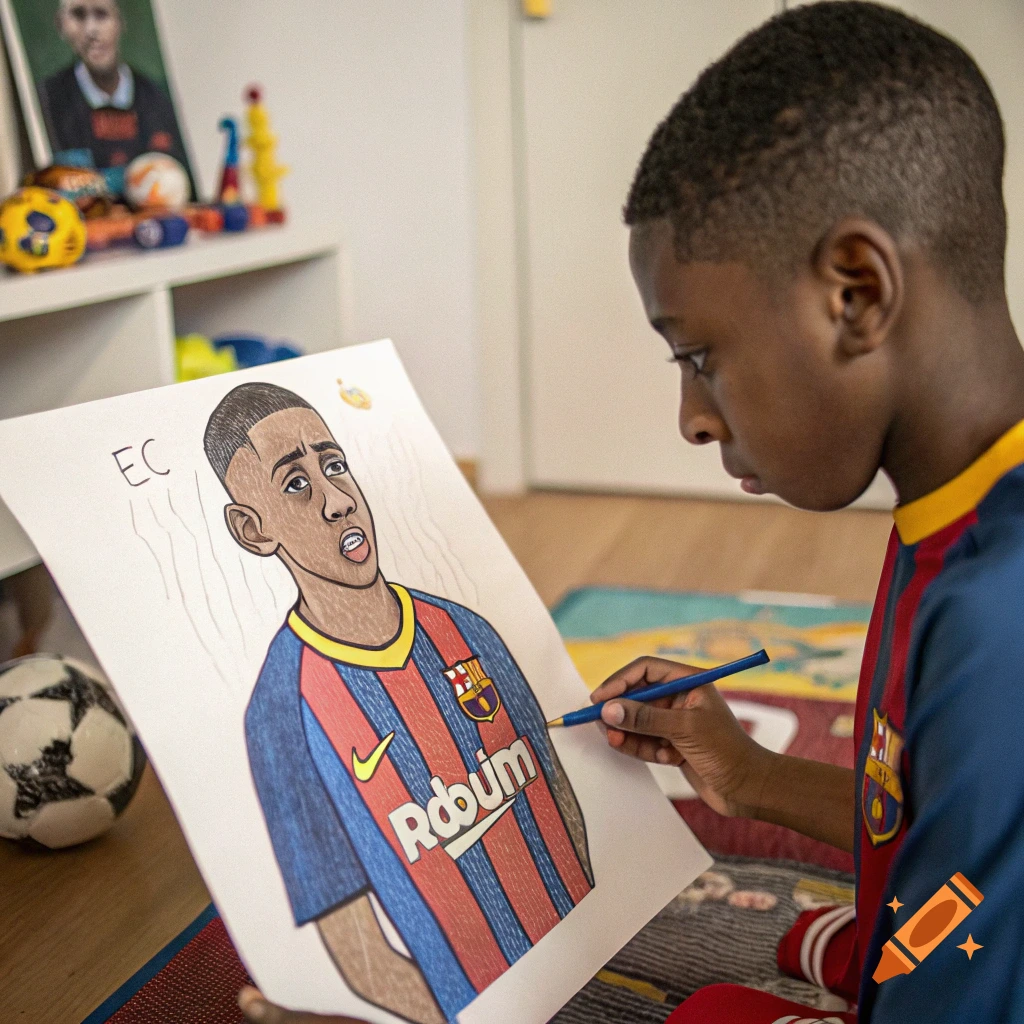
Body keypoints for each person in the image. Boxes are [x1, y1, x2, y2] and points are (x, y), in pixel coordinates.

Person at [239, 1, 1024, 1021]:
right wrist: (745, 777)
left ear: (856, 293)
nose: (693, 418)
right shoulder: (961, 504)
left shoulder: (999, 618)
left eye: (699, 357)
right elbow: (938, 811)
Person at [204, 383, 592, 1024]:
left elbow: (560, 797)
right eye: (296, 485)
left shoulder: (467, 628)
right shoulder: (280, 713)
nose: (335, 500)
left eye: (333, 466)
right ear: (253, 529)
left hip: (598, 957)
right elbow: (362, 957)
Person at [37, 0, 193, 178]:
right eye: (78, 15)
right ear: (62, 26)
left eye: (101, 14)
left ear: (120, 22)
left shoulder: (155, 98)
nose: (91, 31)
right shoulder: (48, 99)